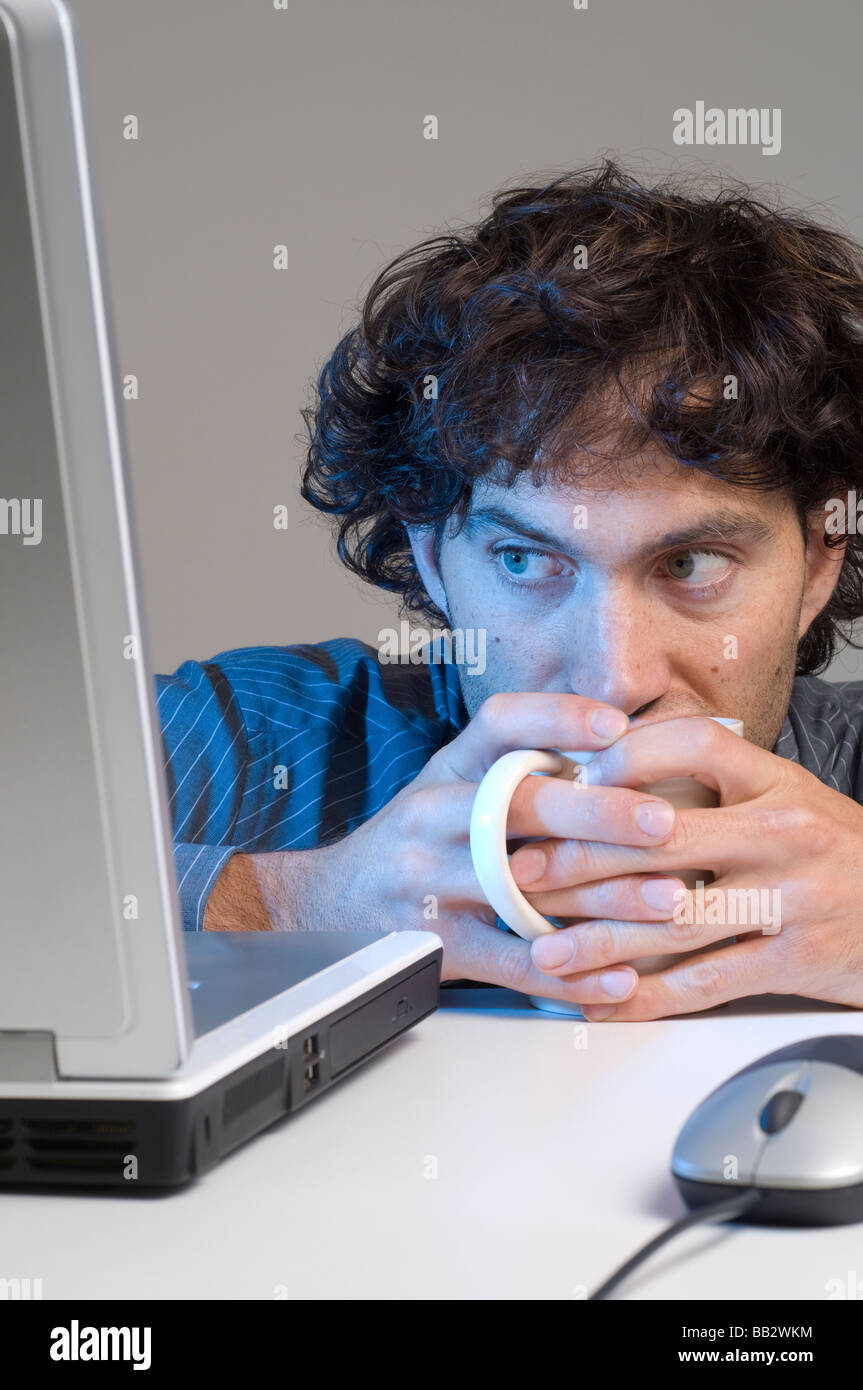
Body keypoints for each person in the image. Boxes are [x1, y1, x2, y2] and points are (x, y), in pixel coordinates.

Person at [156, 160, 863, 1020]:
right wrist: (285, 905)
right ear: (430, 555)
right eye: (527, 563)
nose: (615, 680)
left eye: (690, 564)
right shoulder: (248, 742)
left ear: (817, 564)